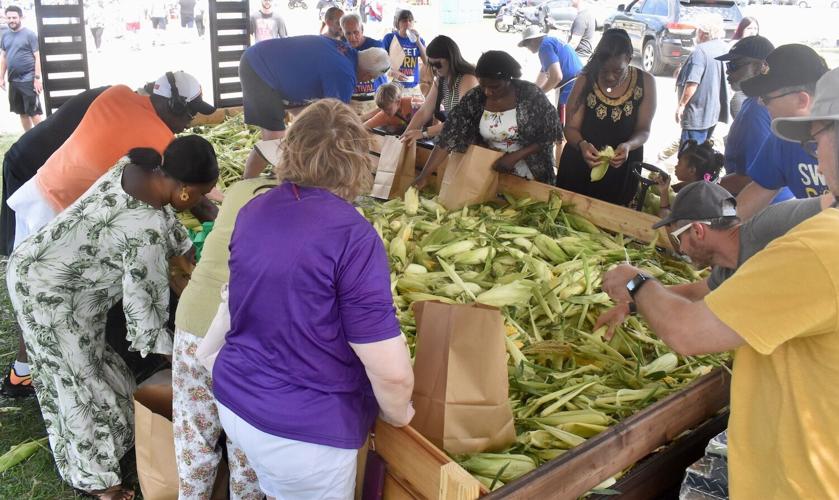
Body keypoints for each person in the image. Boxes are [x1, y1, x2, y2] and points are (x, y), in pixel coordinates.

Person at [599, 67, 839, 498]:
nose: (815, 157)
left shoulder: (815, 247)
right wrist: (640, 302)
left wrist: (637, 282)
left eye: (816, 139)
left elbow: (688, 333)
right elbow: (711, 295)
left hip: (798, 484)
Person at [213, 99, 415, 499]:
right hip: (304, 435)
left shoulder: (254, 209)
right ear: (358, 162)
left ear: (291, 149)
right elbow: (389, 370)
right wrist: (398, 412)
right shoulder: (353, 237)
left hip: (237, 403)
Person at [6, 135, 218, 500]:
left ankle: (122, 440)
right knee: (78, 388)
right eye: (201, 195)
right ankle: (100, 484)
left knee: (106, 370)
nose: (199, 203)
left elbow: (161, 219)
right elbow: (146, 321)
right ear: (184, 191)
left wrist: (185, 255)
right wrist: (188, 358)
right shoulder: (145, 236)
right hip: (47, 294)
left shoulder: (137, 168)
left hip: (50, 272)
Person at [2, 72, 215, 389]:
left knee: (34, 285)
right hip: (64, 212)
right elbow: (190, 205)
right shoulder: (157, 144)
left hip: (43, 187)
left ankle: (23, 370)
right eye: (188, 112)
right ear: (170, 103)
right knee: (49, 291)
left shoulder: (117, 94)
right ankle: (36, 371)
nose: (190, 121)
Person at [597, 181, 825, 336]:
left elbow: (829, 205)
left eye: (679, 238)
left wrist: (637, 281)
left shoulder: (771, 224)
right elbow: (694, 293)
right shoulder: (727, 269)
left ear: (698, 231)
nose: (681, 249)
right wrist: (631, 307)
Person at [0, 86, 111, 397]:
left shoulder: (115, 99)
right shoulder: (123, 115)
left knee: (32, 271)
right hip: (34, 174)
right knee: (33, 276)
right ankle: (22, 373)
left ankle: (28, 368)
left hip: (39, 170)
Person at [173, 176, 276, 499]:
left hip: (195, 319)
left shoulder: (244, 189)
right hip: (248, 334)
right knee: (245, 441)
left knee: (194, 434)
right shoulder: (319, 211)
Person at [238, 35, 390, 176]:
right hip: (260, 69)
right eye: (371, 79)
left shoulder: (346, 52)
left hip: (266, 63)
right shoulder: (344, 74)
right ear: (368, 76)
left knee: (307, 124)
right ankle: (248, 183)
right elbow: (335, 121)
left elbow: (317, 113)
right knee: (274, 141)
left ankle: (285, 171)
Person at [413, 50, 563, 186]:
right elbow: (449, 134)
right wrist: (424, 175)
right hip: (490, 169)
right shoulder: (475, 97)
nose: (488, 92)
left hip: (531, 172)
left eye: (495, 87)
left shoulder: (530, 95)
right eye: (483, 85)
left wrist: (516, 156)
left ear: (508, 79)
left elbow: (550, 134)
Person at [555, 29, 656, 206]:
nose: (610, 76)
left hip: (621, 167)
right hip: (580, 163)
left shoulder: (645, 82)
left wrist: (628, 146)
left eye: (618, 71)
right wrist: (582, 145)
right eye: (604, 70)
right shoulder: (586, 78)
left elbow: (644, 130)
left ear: (630, 59)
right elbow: (570, 128)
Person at [735, 44, 829, 220]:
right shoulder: (783, 136)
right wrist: (719, 228)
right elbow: (760, 188)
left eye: (766, 97)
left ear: (802, 100)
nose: (761, 103)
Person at [716, 35, 791, 207]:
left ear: (760, 67)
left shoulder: (757, 109)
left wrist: (705, 185)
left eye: (734, 65)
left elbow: (754, 178)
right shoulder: (755, 101)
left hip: (764, 207)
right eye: (727, 65)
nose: (728, 71)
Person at [401, 35, 477, 143]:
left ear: (451, 58)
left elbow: (461, 119)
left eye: (437, 64)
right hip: (452, 137)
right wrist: (405, 135)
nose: (435, 68)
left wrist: (423, 132)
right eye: (431, 64)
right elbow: (424, 111)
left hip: (469, 141)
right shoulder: (441, 80)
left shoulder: (468, 79)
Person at [675, 14, 728, 146]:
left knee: (689, 158)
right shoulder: (721, 47)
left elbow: (693, 82)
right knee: (701, 155)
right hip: (712, 114)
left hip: (697, 115)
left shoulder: (700, 51)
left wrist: (681, 105)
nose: (696, 33)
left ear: (703, 33)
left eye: (697, 30)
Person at [518, 25, 583, 124]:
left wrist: (539, 95)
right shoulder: (551, 42)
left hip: (570, 87)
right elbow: (541, 78)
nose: (527, 48)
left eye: (526, 44)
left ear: (534, 40)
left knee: (564, 125)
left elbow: (556, 77)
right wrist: (530, 92)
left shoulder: (545, 47)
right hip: (577, 82)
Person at [654, 140, 725, 217]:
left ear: (691, 170)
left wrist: (664, 192)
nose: (676, 166)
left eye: (679, 163)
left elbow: (666, 220)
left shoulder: (691, 198)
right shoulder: (701, 184)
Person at [0, 6, 43, 132]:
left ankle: (44, 139)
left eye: (14, 17)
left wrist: (37, 78)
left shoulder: (29, 34)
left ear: (20, 18)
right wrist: (1, 77)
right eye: (9, 18)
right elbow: (4, 57)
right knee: (22, 112)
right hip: (13, 80)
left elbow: (37, 57)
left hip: (28, 80)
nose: (12, 20)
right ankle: (28, 139)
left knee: (33, 112)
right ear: (5, 18)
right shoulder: (5, 35)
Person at [342, 13, 387, 115]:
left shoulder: (376, 46)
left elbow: (385, 69)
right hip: (352, 102)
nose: (353, 37)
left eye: (356, 32)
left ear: (362, 29)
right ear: (343, 33)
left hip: (375, 100)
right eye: (348, 33)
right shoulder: (341, 49)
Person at [382, 10, 427, 96]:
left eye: (410, 20)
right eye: (404, 21)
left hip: (413, 87)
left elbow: (426, 61)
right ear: (397, 24)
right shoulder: (389, 38)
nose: (407, 23)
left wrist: (418, 42)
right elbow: (380, 61)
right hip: (394, 86)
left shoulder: (419, 40)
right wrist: (391, 72)